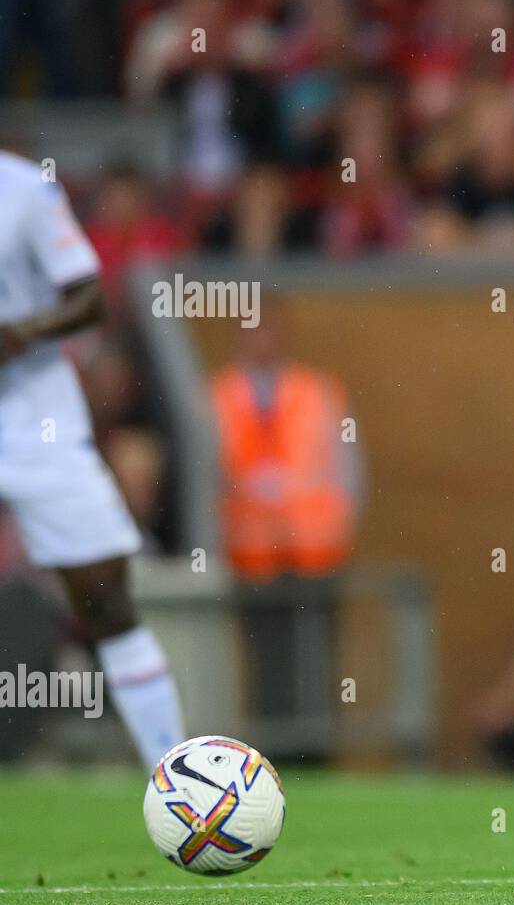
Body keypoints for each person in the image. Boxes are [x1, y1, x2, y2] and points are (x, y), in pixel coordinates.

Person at [0, 153, 184, 768]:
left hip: (34, 421)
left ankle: (174, 777)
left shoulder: (24, 189)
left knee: (105, 598)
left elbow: (88, 300)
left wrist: (23, 332)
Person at [211, 298, 359, 763]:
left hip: (315, 555)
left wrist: (338, 528)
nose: (262, 340)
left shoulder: (317, 391)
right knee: (265, 668)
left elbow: (349, 470)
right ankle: (266, 761)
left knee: (314, 667)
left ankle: (316, 760)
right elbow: (205, 476)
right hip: (249, 556)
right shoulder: (216, 395)